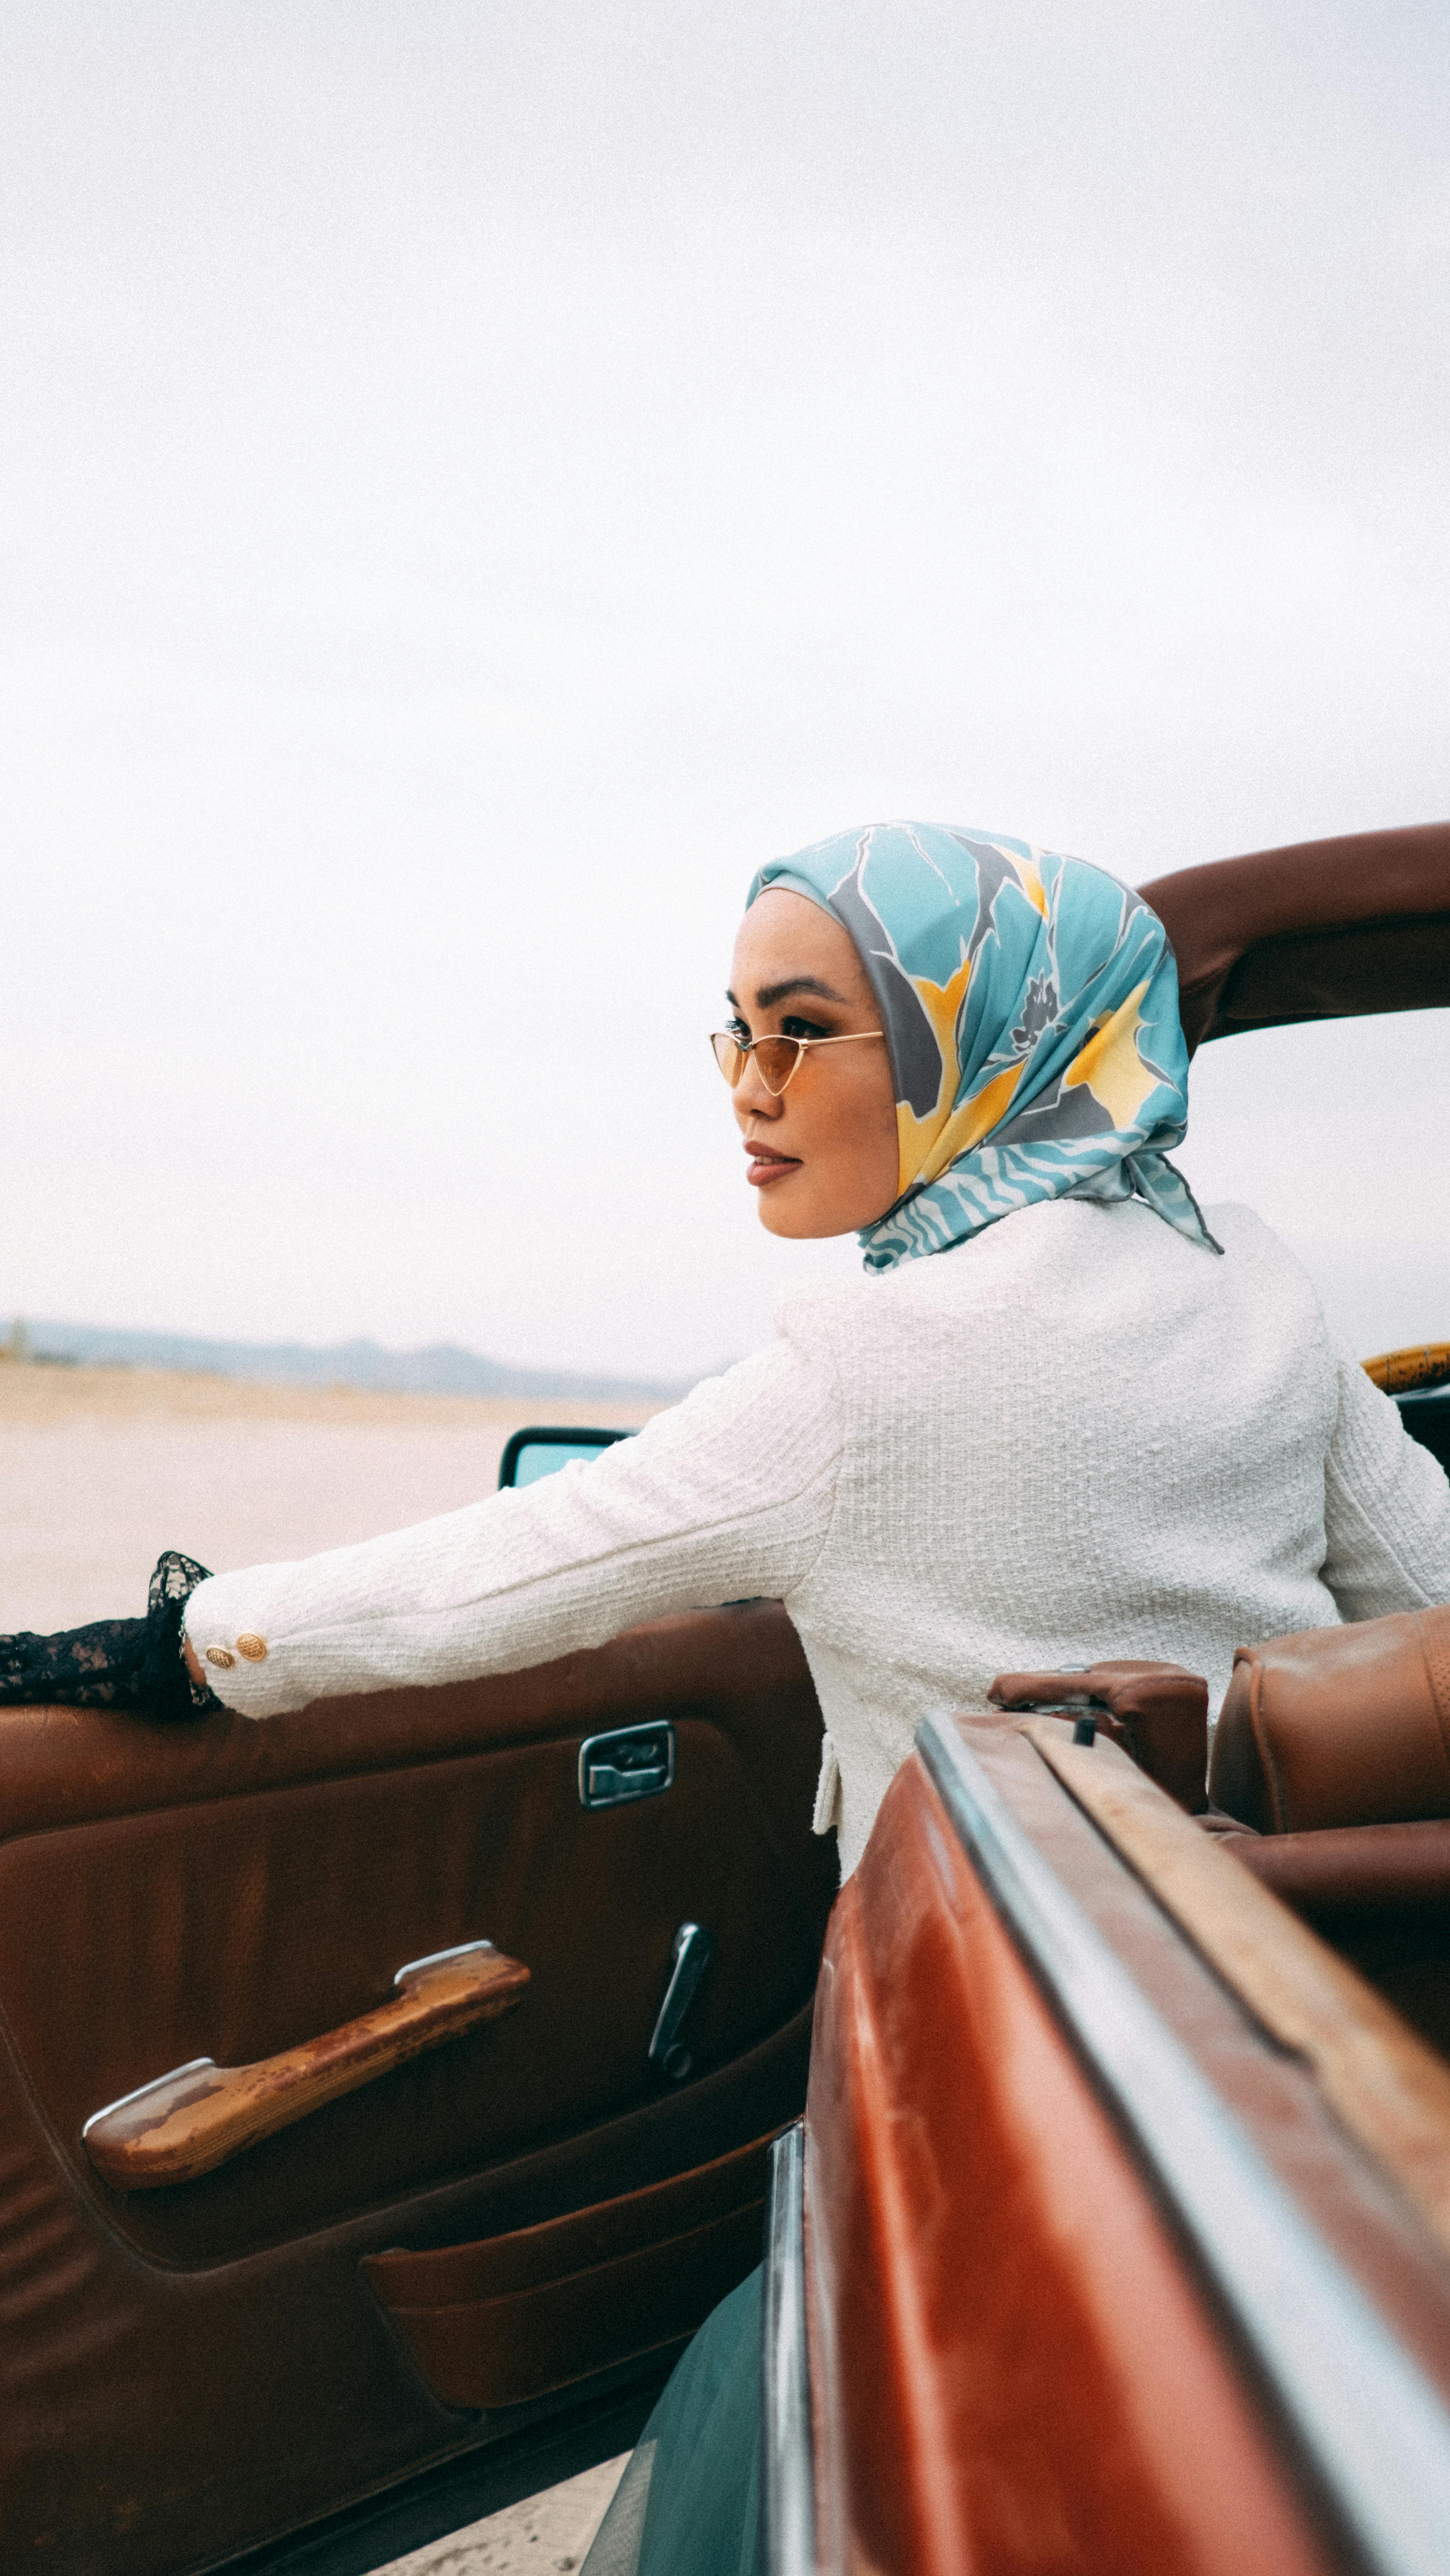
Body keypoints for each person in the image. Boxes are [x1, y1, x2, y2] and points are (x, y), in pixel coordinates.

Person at [6, 824, 1450, 2573]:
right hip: (1277, 1996)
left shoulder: (861, 1369)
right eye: (733, 1031)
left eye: (801, 1030)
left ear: (964, 1045)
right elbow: (1427, 1599)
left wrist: (164, 1647)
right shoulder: (1258, 1289)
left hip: (993, 2036)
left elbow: (504, 1573)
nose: (747, 1086)